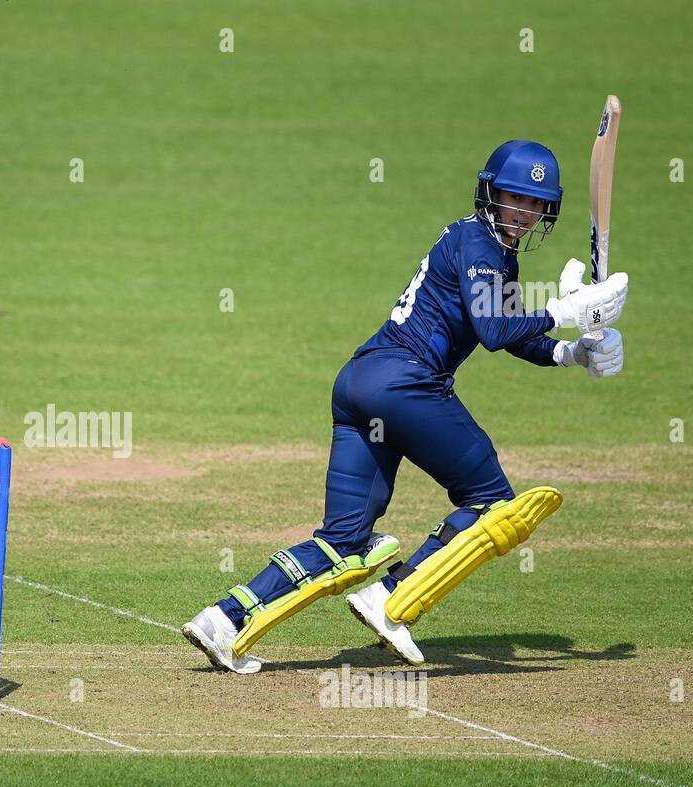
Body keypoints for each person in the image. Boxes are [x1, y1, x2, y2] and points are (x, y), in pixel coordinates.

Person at [182, 141, 629, 674]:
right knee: (493, 503)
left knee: (344, 540)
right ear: (491, 193)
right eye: (515, 198)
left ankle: (225, 620)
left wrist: (570, 352)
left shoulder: (485, 246)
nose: (524, 212)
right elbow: (492, 330)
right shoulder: (480, 245)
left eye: (535, 204)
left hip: (359, 384)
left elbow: (505, 330)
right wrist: (562, 311)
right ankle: (391, 599)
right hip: (406, 385)